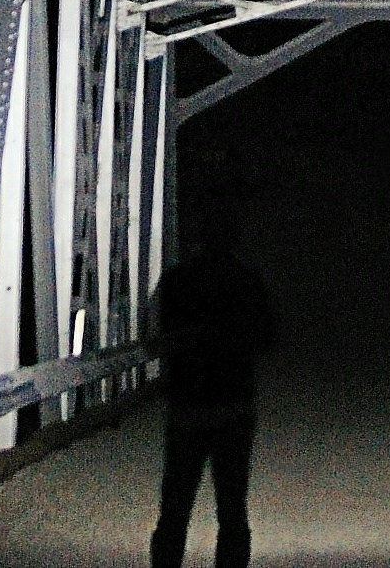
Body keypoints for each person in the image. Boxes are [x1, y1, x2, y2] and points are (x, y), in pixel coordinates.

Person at [145, 200, 278, 568]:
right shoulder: (248, 282)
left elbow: (157, 335)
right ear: (234, 239)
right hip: (233, 407)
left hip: (187, 406)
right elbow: (266, 338)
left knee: (175, 508)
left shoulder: (177, 280)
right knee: (232, 509)